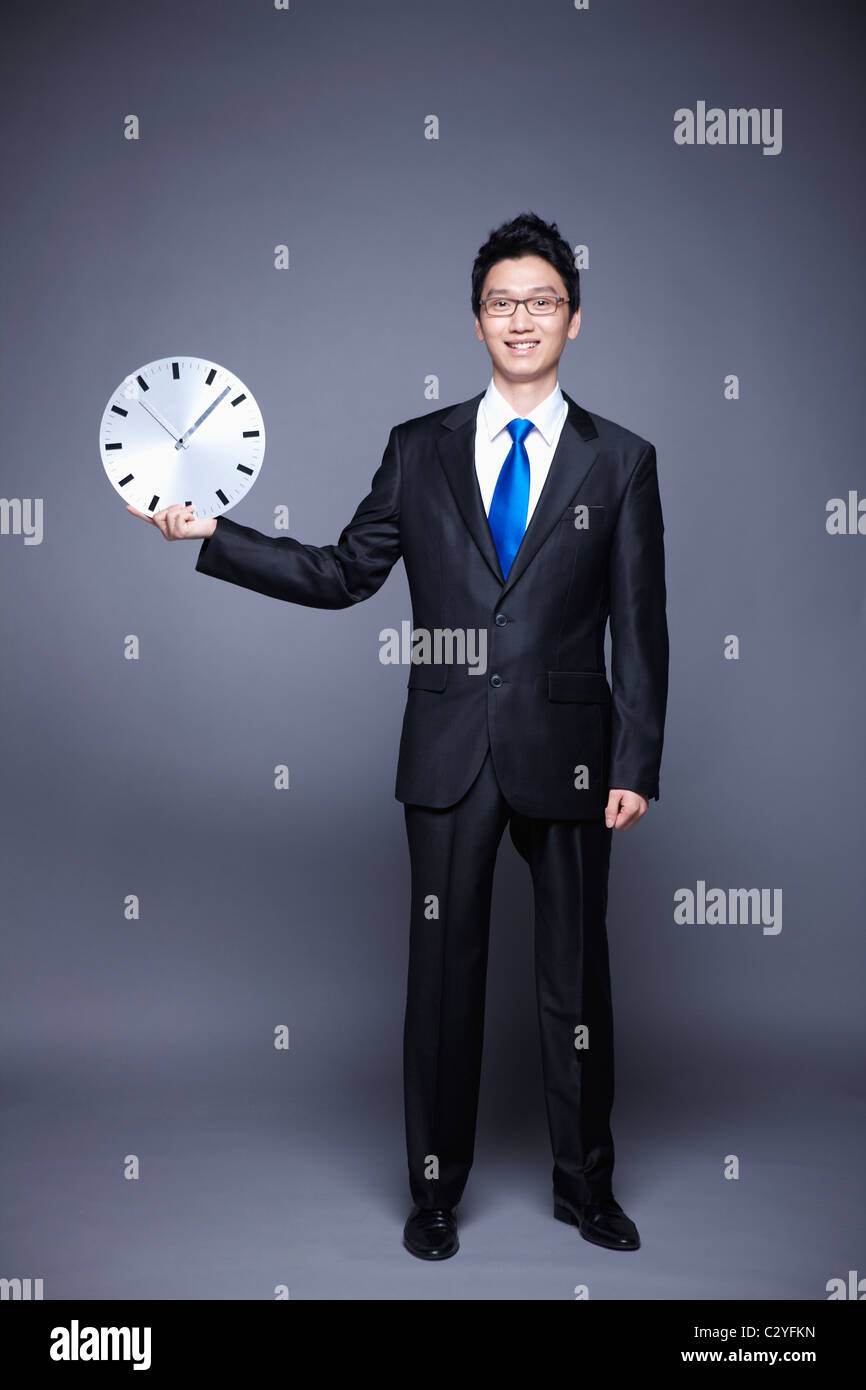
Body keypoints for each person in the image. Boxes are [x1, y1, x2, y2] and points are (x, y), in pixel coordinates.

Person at [128, 211, 669, 1261]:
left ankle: (583, 1186)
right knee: (441, 980)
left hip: (569, 750)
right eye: (501, 302)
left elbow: (639, 624)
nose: (521, 318)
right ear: (475, 323)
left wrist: (634, 761)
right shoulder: (417, 449)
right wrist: (212, 536)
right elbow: (342, 575)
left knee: (573, 981)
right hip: (447, 747)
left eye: (540, 300)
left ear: (573, 319)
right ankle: (432, 1195)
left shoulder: (623, 462)